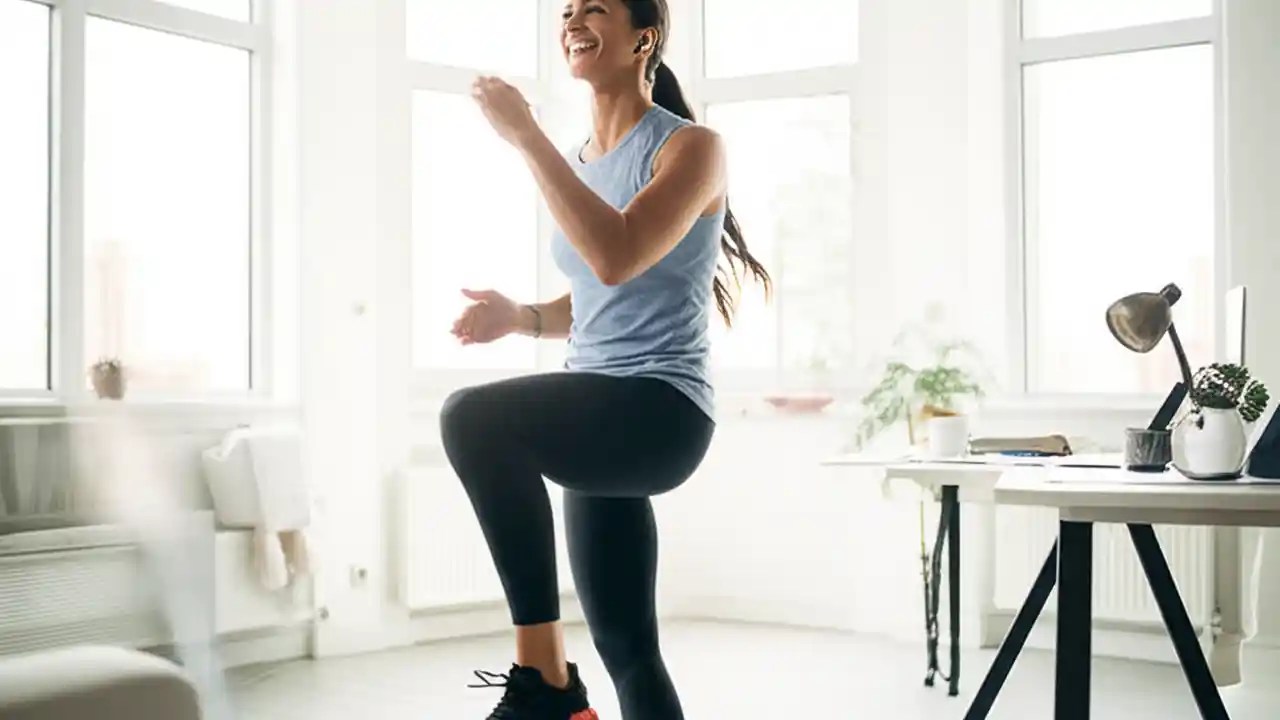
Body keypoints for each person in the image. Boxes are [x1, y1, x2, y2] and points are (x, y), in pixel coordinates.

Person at [441, 1, 770, 718]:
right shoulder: (582, 156)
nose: (572, 20)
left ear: (642, 38)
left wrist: (525, 136)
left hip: (659, 412)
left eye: (594, 8)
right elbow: (594, 292)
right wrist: (523, 318)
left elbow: (618, 255)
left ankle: (545, 683)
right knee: (630, 650)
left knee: (472, 419)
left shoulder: (692, 148)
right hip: (597, 404)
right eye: (565, 11)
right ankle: (563, 691)